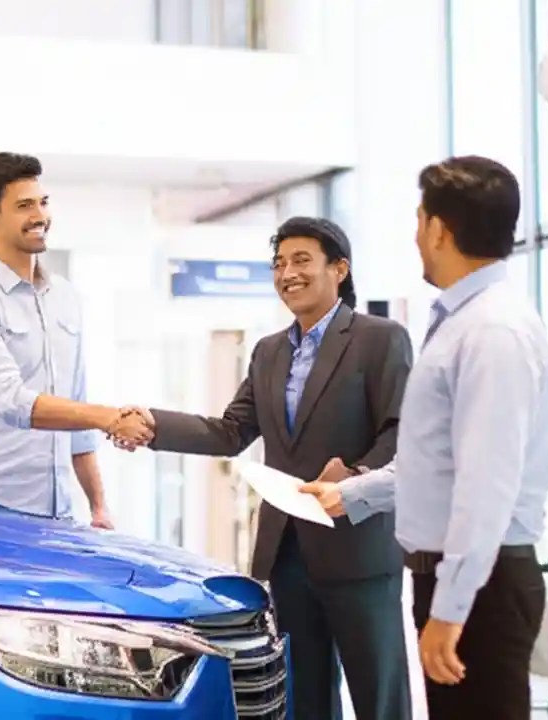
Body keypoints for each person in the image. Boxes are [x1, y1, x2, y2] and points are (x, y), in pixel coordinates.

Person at [111, 216, 414, 720]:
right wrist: (153, 425)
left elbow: (402, 431)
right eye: (278, 264)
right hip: (288, 555)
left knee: (379, 700)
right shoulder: (270, 351)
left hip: (358, 547)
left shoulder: (380, 339)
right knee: (303, 702)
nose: (286, 273)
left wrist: (357, 477)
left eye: (301, 260)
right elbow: (231, 431)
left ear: (339, 269)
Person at [300, 155, 548, 719]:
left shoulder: (491, 331)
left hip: (480, 582)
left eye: (419, 221)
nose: (415, 236)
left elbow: (484, 485)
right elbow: (439, 462)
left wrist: (453, 607)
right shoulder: (467, 321)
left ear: (439, 228)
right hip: (460, 577)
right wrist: (353, 492)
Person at [0, 151, 152, 528]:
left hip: (57, 511)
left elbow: (75, 404)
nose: (40, 216)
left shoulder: (65, 297)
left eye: (43, 202)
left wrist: (98, 504)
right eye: (24, 206)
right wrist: (109, 418)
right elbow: (9, 399)